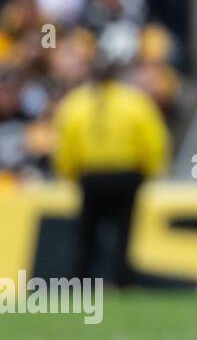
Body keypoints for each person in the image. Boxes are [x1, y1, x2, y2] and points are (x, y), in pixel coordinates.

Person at [52, 48, 171, 287]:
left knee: (87, 231)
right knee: (123, 232)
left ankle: (80, 280)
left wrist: (68, 173)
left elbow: (65, 142)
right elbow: (155, 140)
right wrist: (152, 170)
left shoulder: (76, 102)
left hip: (90, 175)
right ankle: (119, 281)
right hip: (126, 175)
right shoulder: (135, 101)